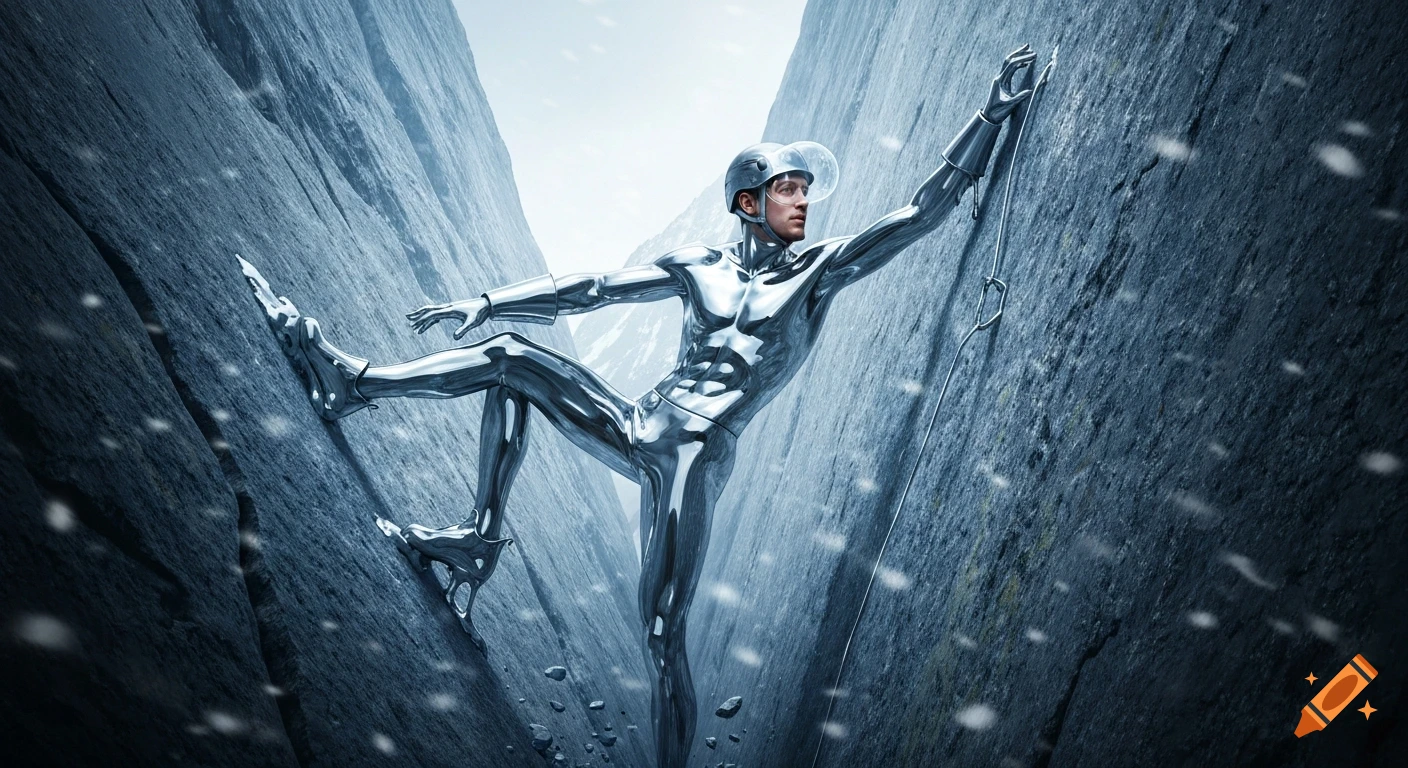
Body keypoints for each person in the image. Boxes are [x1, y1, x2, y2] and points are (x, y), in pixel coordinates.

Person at [243, 44, 1036, 768]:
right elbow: (591, 288)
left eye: (805, 191)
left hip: (693, 456)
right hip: (637, 422)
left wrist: (990, 113)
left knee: (661, 635)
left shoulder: (817, 271)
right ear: (749, 201)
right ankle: (390, 427)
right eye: (791, 190)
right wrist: (489, 301)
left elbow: (917, 214)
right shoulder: (701, 267)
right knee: (512, 360)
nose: (805, 203)